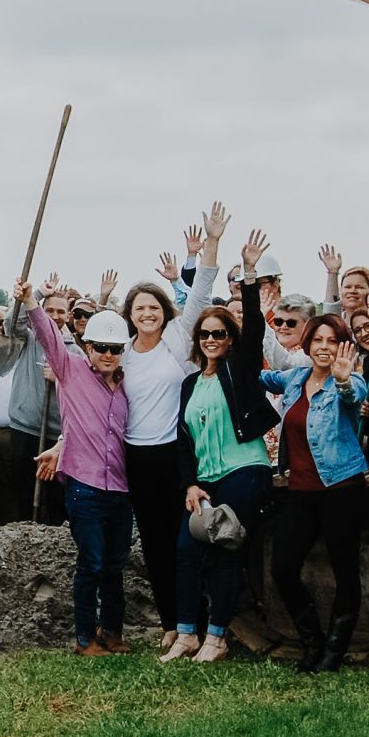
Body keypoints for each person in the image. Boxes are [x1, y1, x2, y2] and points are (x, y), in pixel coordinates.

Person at [120, 203, 229, 649]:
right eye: (139, 308)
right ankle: (172, 624)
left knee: (189, 541)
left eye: (153, 307)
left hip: (177, 454)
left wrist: (213, 243)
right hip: (136, 456)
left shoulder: (179, 340)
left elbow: (201, 292)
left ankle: (200, 624)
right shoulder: (121, 353)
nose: (147, 313)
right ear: (129, 314)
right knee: (155, 545)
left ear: (165, 310)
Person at [168, 271, 282, 663]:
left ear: (229, 339)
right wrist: (190, 485)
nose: (212, 340)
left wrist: (249, 279)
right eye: (205, 335)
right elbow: (184, 440)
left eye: (219, 334)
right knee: (185, 547)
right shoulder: (190, 384)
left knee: (225, 546)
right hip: (206, 480)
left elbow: (253, 331)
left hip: (245, 470)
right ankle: (187, 634)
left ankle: (217, 638)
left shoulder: (239, 369)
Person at [29, 283, 137, 656]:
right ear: (88, 347)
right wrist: (30, 302)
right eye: (101, 348)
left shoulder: (127, 385)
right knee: (91, 563)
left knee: (114, 564)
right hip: (85, 487)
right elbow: (48, 336)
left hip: (121, 488)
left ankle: (113, 632)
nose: (108, 354)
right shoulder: (70, 370)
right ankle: (84, 639)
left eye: (115, 349)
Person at [260, 310, 369, 672]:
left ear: (343, 346)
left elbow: (353, 396)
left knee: (345, 570)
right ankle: (313, 642)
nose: (324, 348)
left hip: (341, 487)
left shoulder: (351, 380)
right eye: (318, 340)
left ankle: (333, 654)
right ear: (307, 344)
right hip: (301, 490)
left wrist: (341, 379)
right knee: (283, 568)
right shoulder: (294, 379)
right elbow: (256, 374)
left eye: (332, 341)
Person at [0, 291, 60, 526]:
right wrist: (33, 296)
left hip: (55, 436)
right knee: (22, 492)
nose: (55, 316)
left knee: (54, 496)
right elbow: (11, 321)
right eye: (50, 310)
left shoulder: (75, 349)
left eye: (61, 311)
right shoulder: (29, 339)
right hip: (24, 431)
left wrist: (59, 376)